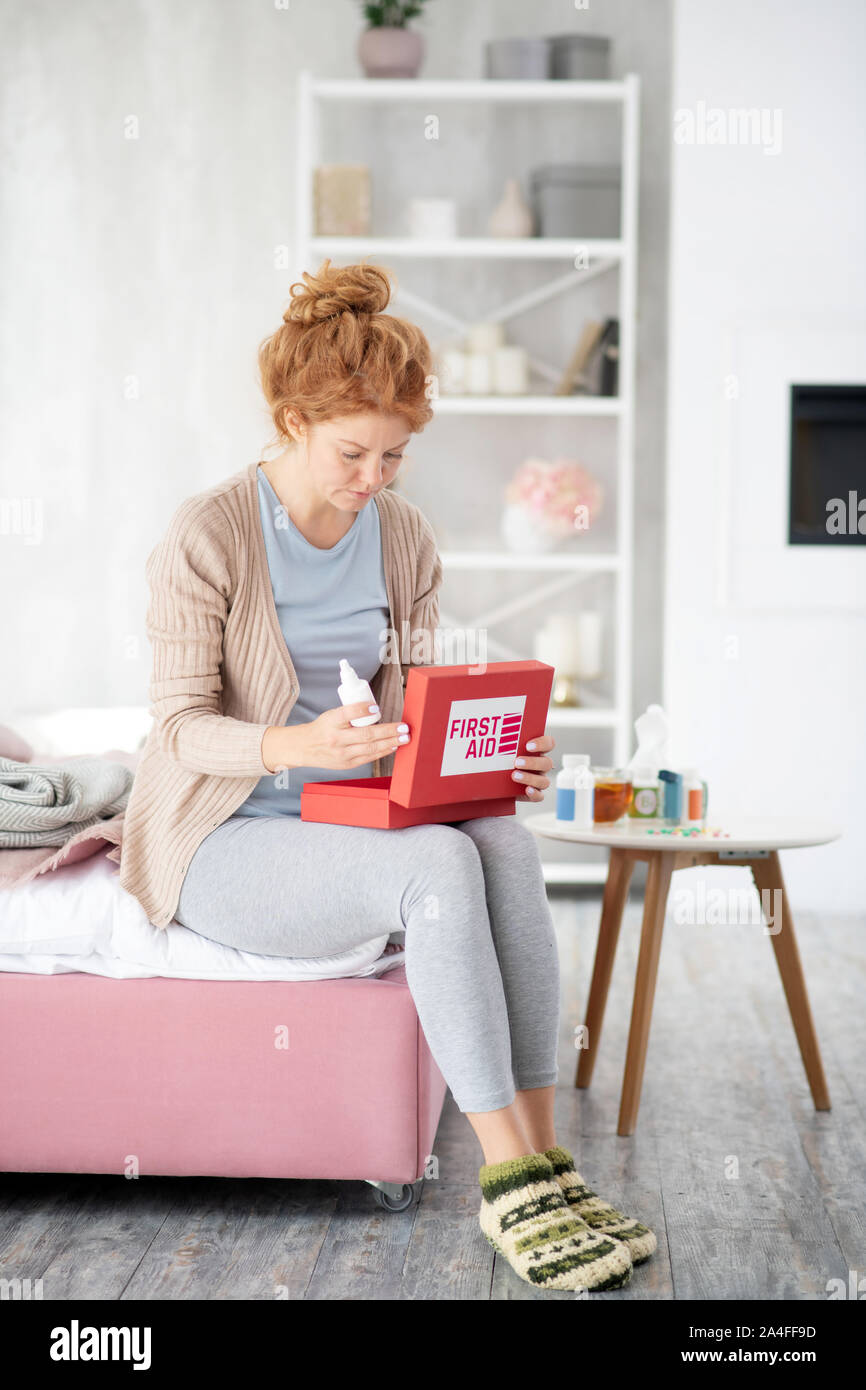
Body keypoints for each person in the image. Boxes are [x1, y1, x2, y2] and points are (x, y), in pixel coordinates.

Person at [119, 259, 655, 1292]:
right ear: (289, 418)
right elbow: (178, 729)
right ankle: (507, 1182)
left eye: (395, 455)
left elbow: (413, 703)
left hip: (349, 810)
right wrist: (289, 747)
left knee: (496, 837)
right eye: (352, 451)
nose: (374, 477)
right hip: (224, 834)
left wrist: (500, 761)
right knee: (436, 872)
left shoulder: (401, 535)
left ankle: (547, 1158)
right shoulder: (207, 535)